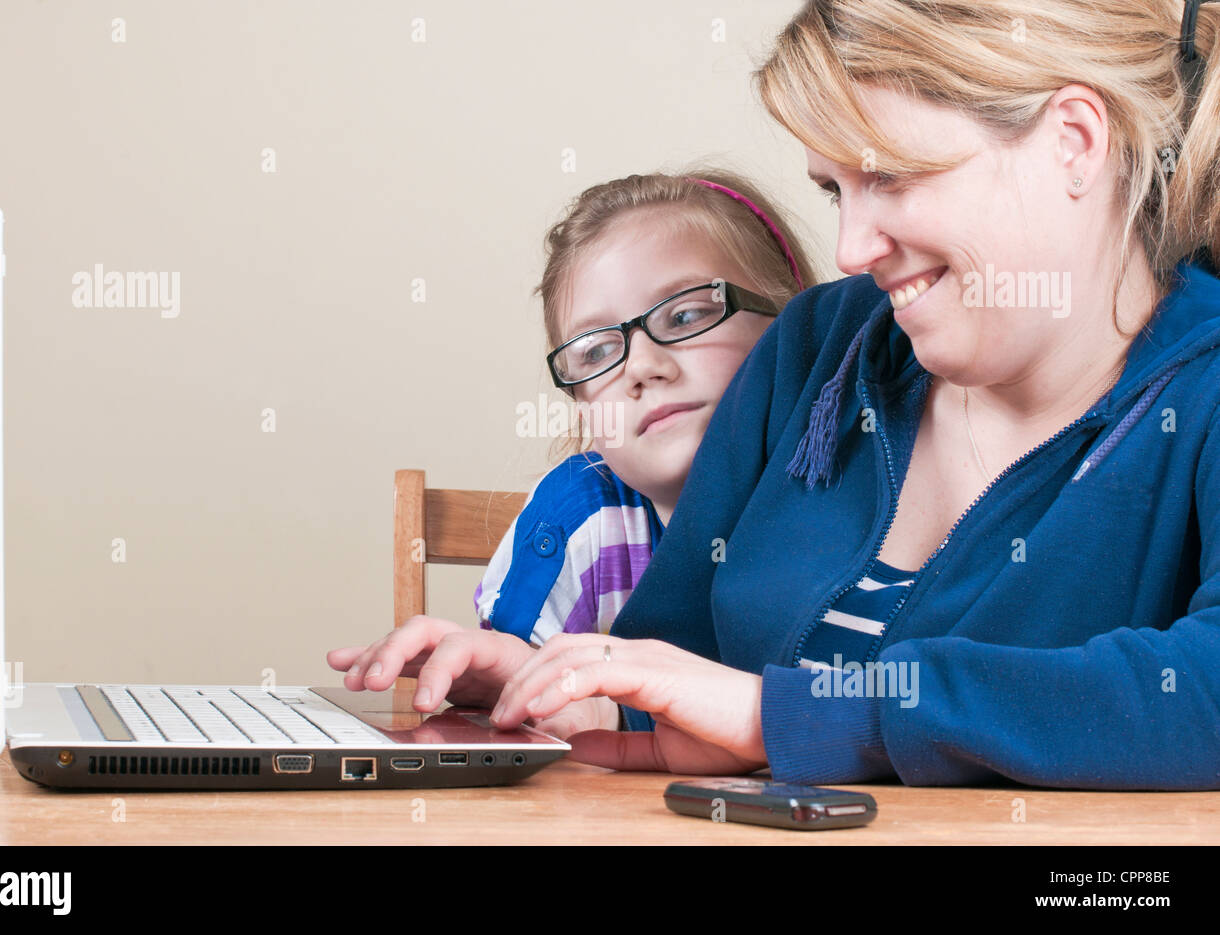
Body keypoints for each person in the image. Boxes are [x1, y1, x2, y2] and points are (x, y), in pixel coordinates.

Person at [337, 0, 1220, 789]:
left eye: (892, 177)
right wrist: (577, 692)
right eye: (834, 190)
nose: (849, 247)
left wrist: (786, 717)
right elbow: (686, 680)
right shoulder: (818, 347)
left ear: (1073, 141)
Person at [327, 169, 818, 739]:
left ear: (799, 323)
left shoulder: (875, 496)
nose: (641, 367)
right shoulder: (578, 520)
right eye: (596, 352)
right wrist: (524, 693)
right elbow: (525, 725)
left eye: (685, 315)